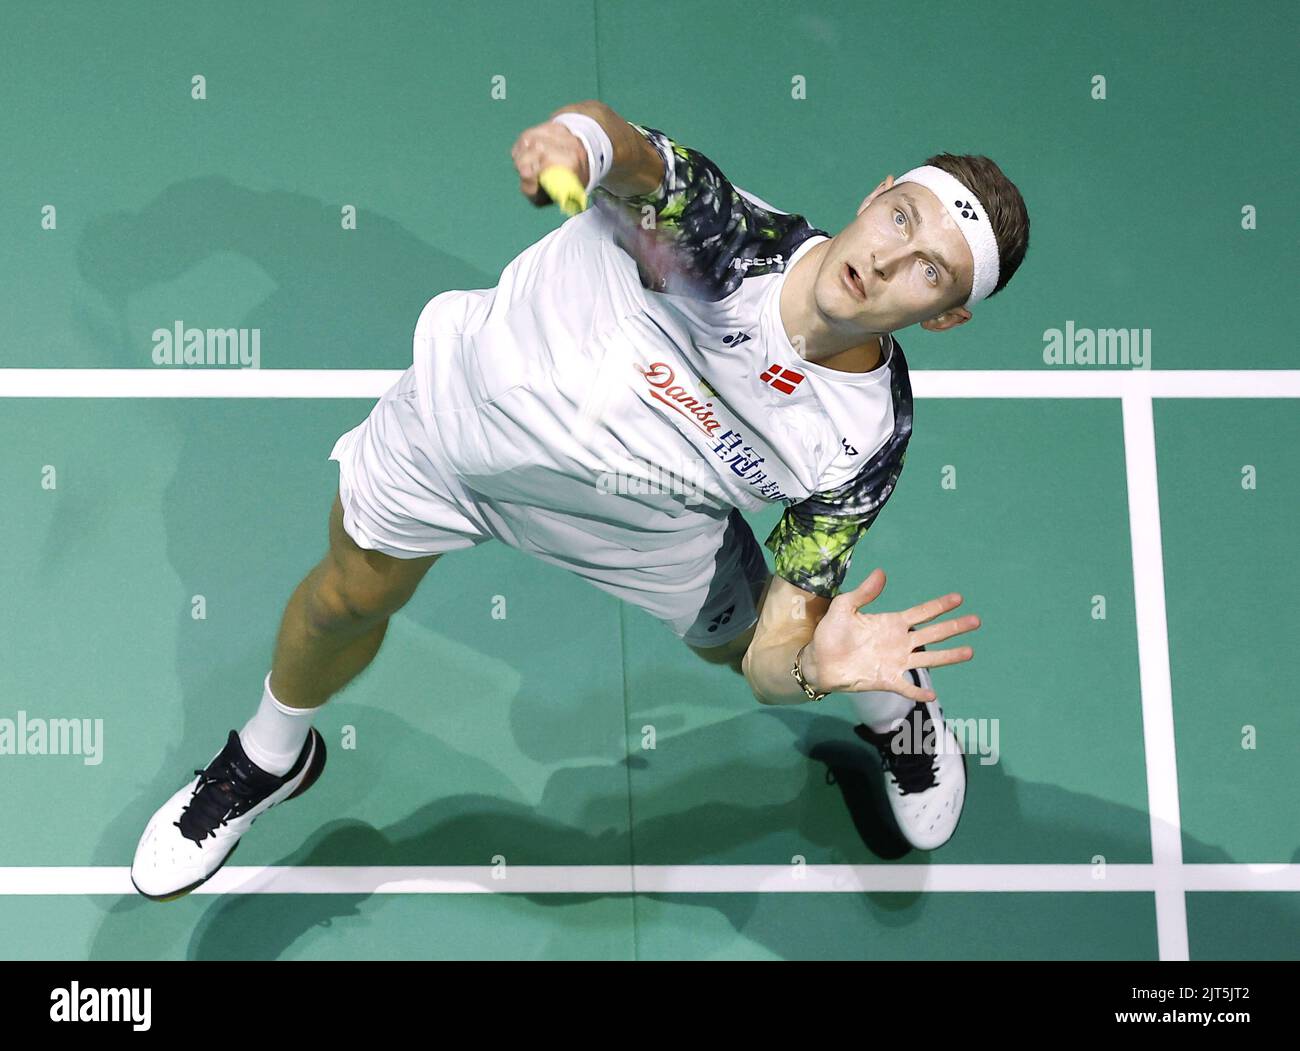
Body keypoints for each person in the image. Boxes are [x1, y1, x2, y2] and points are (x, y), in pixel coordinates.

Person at [131, 99, 1030, 900]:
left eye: (930, 271)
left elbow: (774, 663)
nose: (886, 259)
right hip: (460, 434)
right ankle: (269, 756)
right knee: (345, 597)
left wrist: (812, 668)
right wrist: (574, 143)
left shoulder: (863, 438)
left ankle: (893, 706)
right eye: (899, 217)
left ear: (945, 315)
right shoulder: (718, 236)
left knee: (750, 652)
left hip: (648, 530)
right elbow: (625, 149)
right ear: (876, 194)